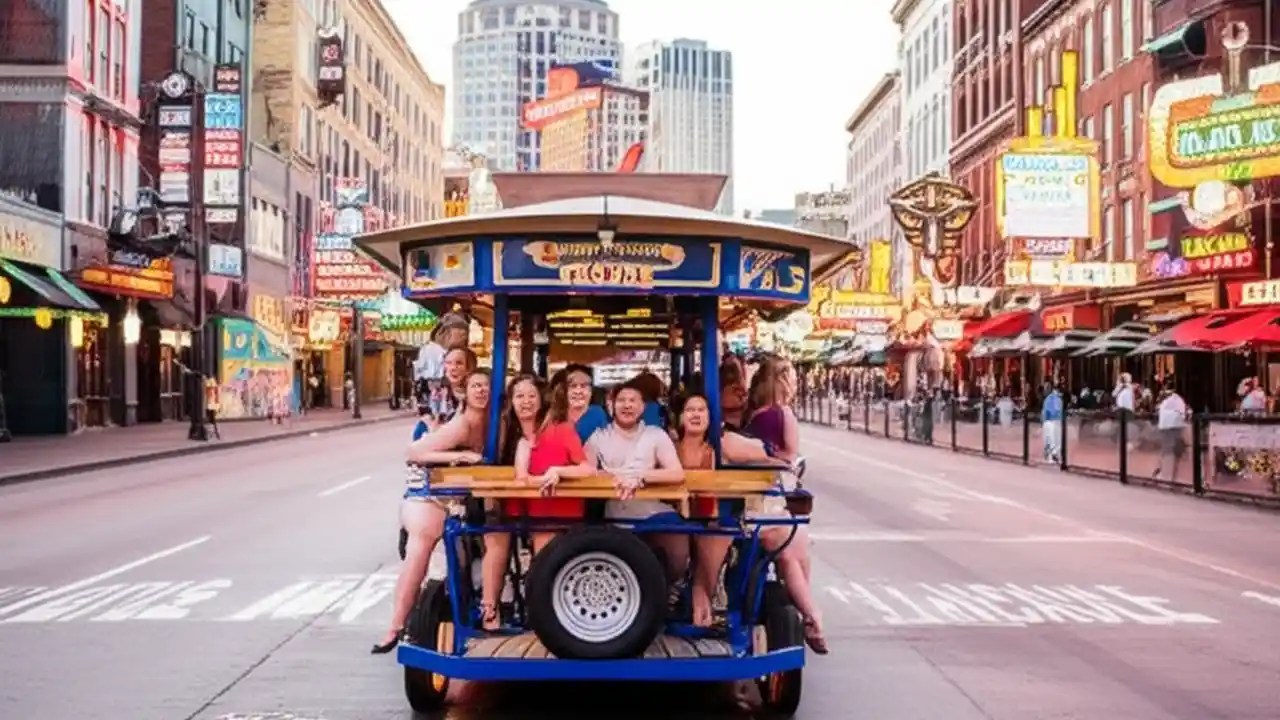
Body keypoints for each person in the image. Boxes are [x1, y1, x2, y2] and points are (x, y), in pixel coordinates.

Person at [373, 368, 490, 654]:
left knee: (466, 559)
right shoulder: (461, 424)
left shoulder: (493, 420)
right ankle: (395, 626)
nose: (481, 391)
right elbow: (414, 452)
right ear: (467, 390)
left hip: (462, 499)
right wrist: (458, 456)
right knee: (419, 552)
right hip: (429, 495)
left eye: (486, 386)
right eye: (476, 385)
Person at [482, 374, 596, 630]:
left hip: (551, 507)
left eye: (531, 395)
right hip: (514, 506)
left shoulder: (560, 428)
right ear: (511, 401)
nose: (525, 402)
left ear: (541, 399)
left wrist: (558, 471)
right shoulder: (506, 433)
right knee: (495, 537)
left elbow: (586, 468)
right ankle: (489, 609)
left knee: (544, 552)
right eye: (519, 396)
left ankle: (545, 617)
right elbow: (520, 476)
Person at [674, 392, 789, 628]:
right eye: (690, 410)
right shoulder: (670, 447)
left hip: (711, 516)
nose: (695, 415)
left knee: (718, 532)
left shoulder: (718, 448)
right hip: (675, 515)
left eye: (701, 410)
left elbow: (767, 460)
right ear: (681, 417)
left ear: (710, 417)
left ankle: (706, 596)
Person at [740, 354, 828, 654]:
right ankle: (811, 614)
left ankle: (808, 613)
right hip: (769, 497)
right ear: (783, 381)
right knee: (794, 550)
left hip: (753, 497)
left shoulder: (753, 415)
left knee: (796, 547)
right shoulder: (782, 414)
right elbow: (790, 455)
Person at [585, 379, 688, 583]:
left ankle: (669, 590)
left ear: (643, 407)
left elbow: (676, 473)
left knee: (677, 544)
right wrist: (613, 477)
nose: (627, 405)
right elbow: (586, 471)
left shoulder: (656, 435)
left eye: (633, 400)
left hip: (653, 511)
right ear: (611, 405)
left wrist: (641, 477)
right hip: (616, 515)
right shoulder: (598, 437)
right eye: (622, 400)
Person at [1154, 382, 1188, 480]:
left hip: (1167, 428)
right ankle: (1172, 475)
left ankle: (1164, 474)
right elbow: (1183, 415)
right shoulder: (1178, 400)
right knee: (1173, 452)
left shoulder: (1165, 401)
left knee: (1166, 451)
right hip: (1175, 427)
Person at [1041, 383, 1064, 463]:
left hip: (1050, 421)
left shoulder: (1049, 399)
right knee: (1056, 439)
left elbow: (1046, 412)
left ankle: (1051, 455)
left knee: (1050, 438)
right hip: (1056, 421)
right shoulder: (1057, 398)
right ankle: (1054, 455)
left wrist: (1043, 421)